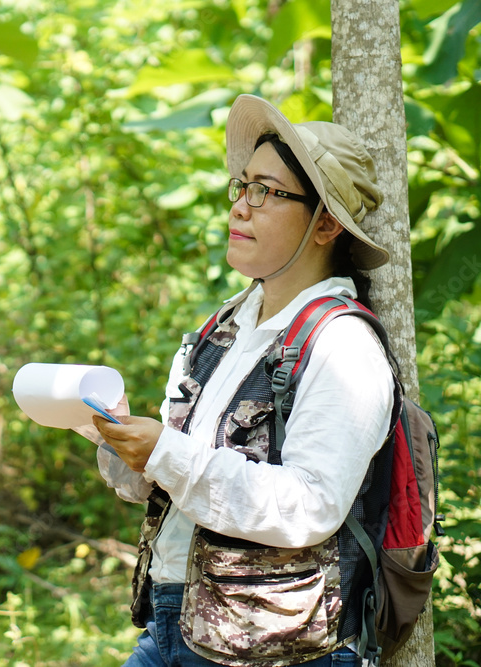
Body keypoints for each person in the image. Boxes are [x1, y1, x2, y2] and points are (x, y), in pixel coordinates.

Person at [77, 94, 400, 666]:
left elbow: (310, 506)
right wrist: (124, 443)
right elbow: (178, 481)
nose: (240, 208)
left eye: (267, 192)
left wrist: (166, 453)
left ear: (325, 223)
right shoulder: (221, 327)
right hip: (169, 623)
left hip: (274, 649)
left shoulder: (343, 345)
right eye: (241, 186)